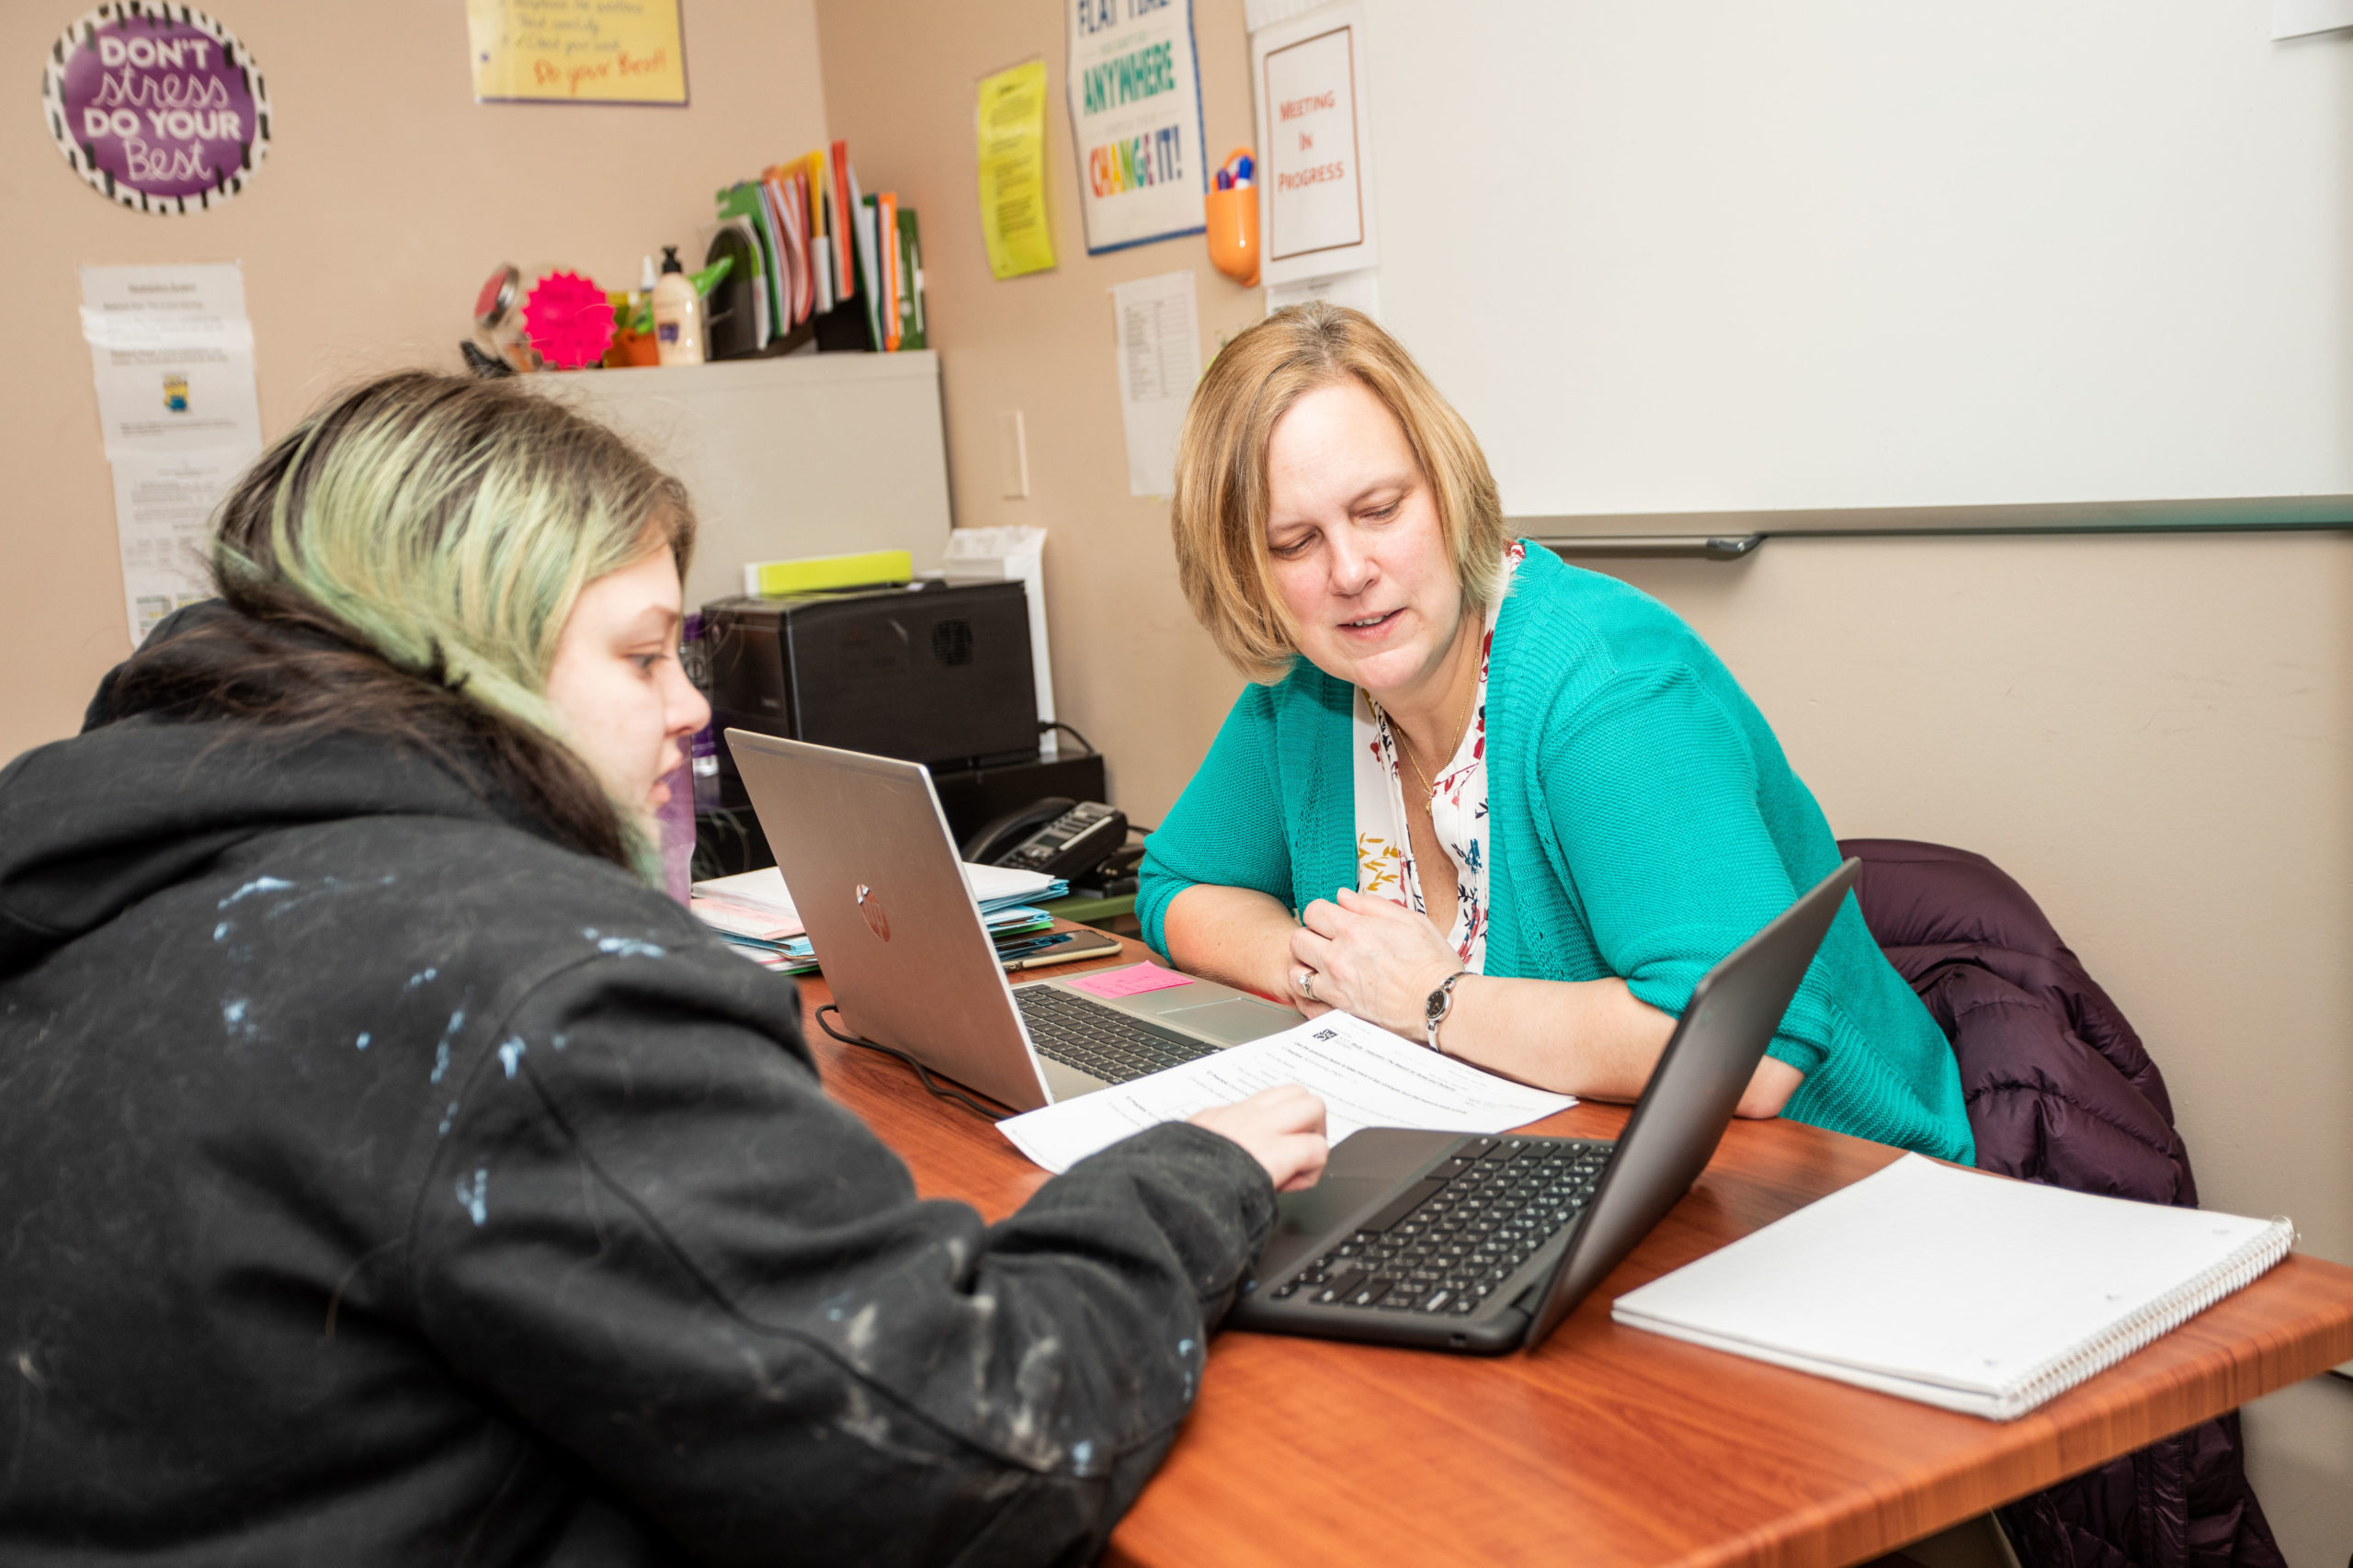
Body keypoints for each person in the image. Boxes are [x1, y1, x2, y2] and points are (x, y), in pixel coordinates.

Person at [0, 371, 1327, 1565]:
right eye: (642, 656)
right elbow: (979, 1445)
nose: (694, 712)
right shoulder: (530, 981)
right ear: (468, 652)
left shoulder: (124, 875)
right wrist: (1185, 1178)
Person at [1140, 304, 1974, 1165]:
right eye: (1295, 542)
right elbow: (1178, 885)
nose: (1350, 572)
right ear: (1248, 572)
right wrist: (1323, 969)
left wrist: (1430, 1000)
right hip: (1569, 1158)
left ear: (1447, 490)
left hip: (1838, 1182)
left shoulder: (1606, 688)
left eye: (1380, 509)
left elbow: (1750, 1057)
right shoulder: (1312, 691)